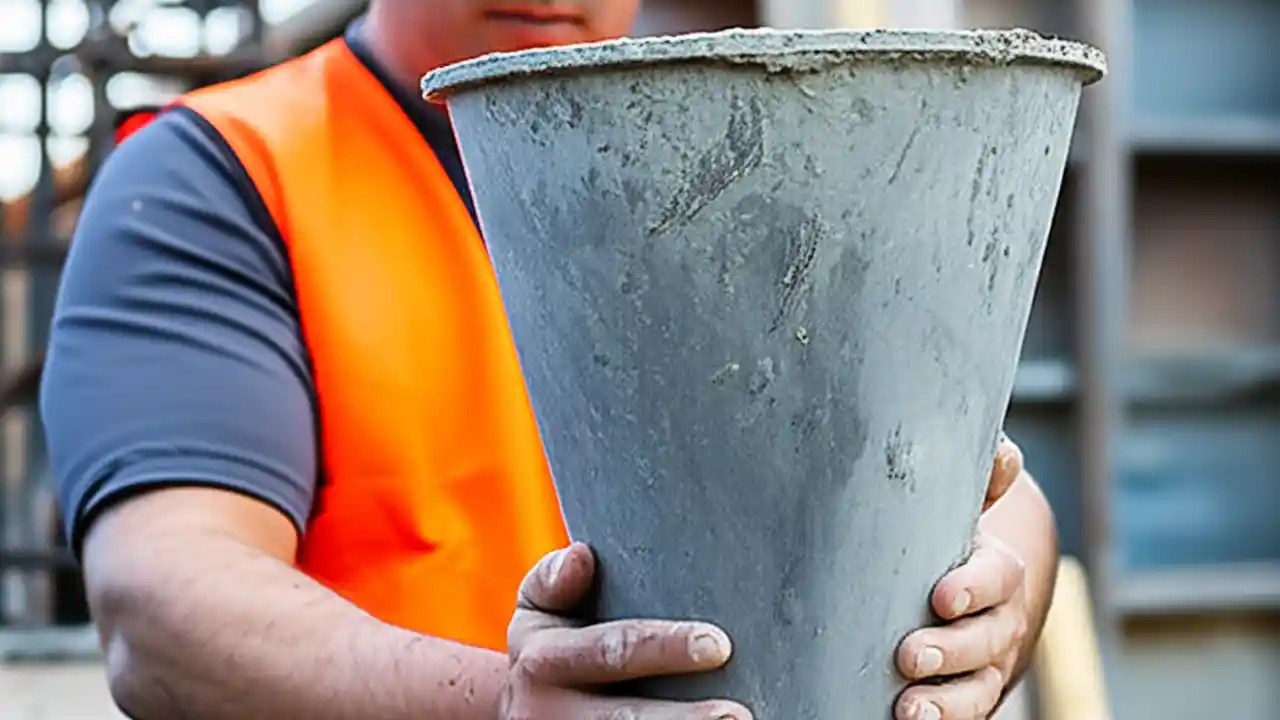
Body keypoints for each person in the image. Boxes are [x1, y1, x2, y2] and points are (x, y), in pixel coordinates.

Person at [40, 1, 1058, 718]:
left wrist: (998, 608)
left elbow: (979, 478)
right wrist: (509, 704)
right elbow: (164, 608)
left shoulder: (733, 135)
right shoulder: (223, 175)